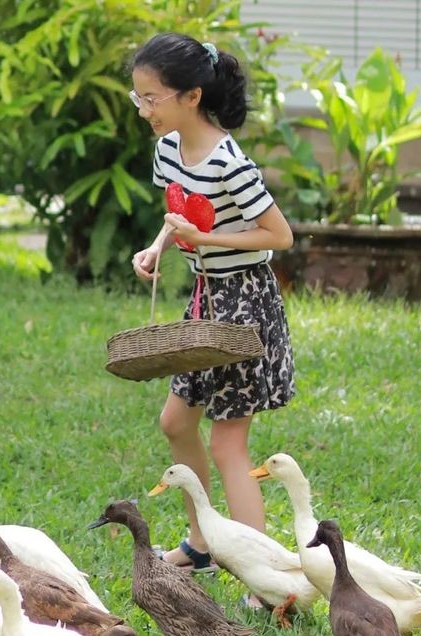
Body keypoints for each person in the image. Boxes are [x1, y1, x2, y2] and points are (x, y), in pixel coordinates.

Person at [130, 32, 296, 573]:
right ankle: (201, 543)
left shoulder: (231, 164)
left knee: (228, 444)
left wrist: (206, 239)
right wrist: (157, 247)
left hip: (246, 304)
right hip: (205, 302)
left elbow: (280, 235)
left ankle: (259, 571)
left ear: (192, 96)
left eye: (152, 98)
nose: (144, 109)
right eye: (138, 97)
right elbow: (178, 213)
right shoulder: (168, 150)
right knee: (176, 423)